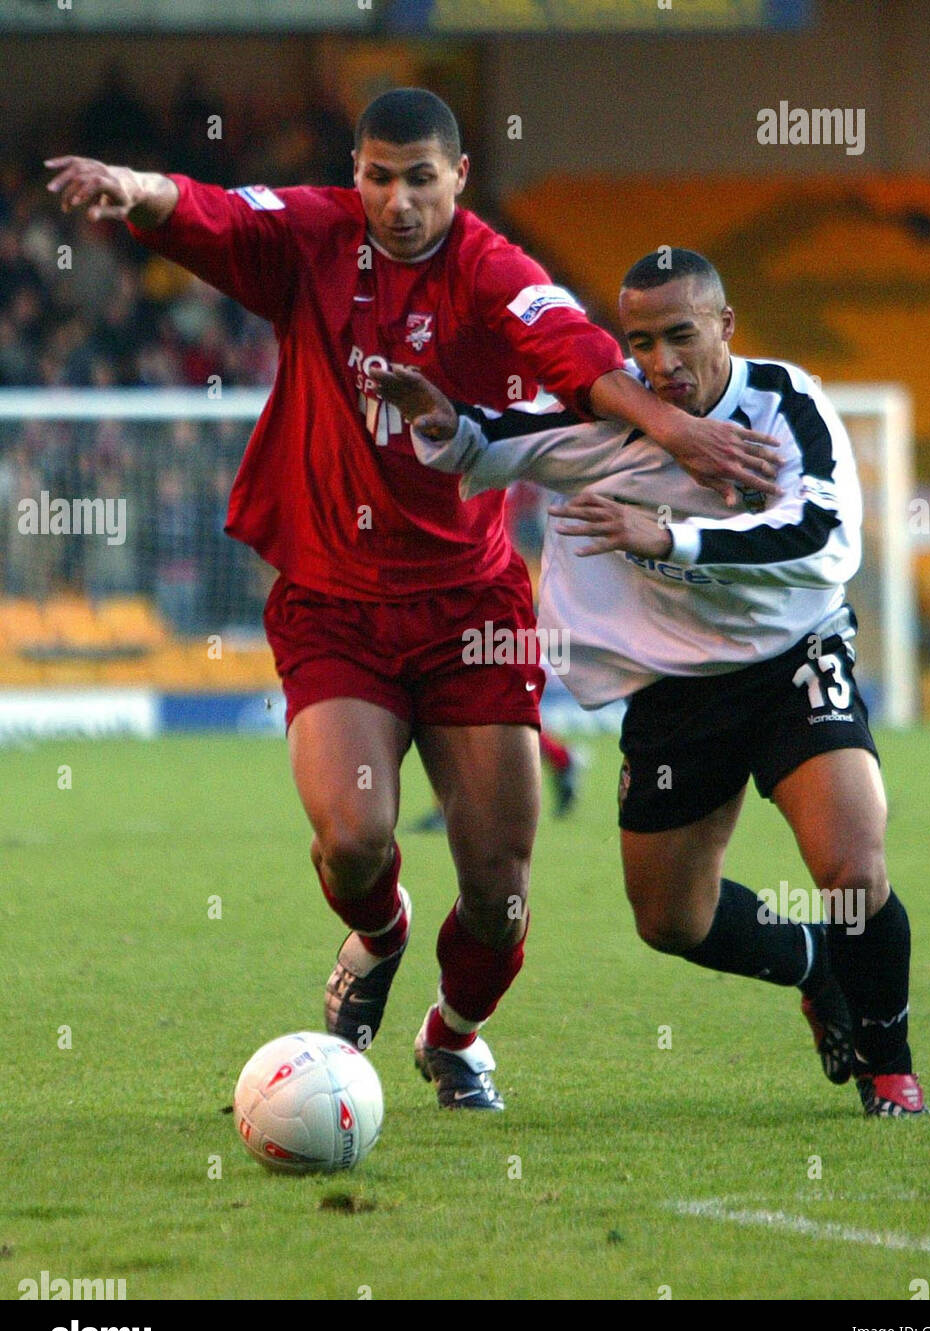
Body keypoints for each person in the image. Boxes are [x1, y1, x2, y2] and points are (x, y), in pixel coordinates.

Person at [44, 93, 779, 1112]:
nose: (396, 201)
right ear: (356, 173)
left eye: (419, 178)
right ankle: (380, 933)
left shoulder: (488, 268)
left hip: (467, 609)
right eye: (379, 176)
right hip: (332, 602)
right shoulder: (310, 237)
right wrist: (134, 192)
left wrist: (674, 427)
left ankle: (454, 1034)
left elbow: (572, 350)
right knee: (351, 836)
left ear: (459, 177)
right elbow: (208, 209)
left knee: (499, 887)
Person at [372, 247, 927, 1117]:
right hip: (674, 691)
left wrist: (668, 538)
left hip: (794, 658)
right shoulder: (610, 414)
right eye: (639, 342)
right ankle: (815, 966)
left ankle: (888, 1067)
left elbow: (823, 539)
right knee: (670, 919)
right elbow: (491, 438)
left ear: (724, 326)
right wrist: (438, 416)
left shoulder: (786, 404)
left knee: (851, 867)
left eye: (679, 336)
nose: (661, 364)